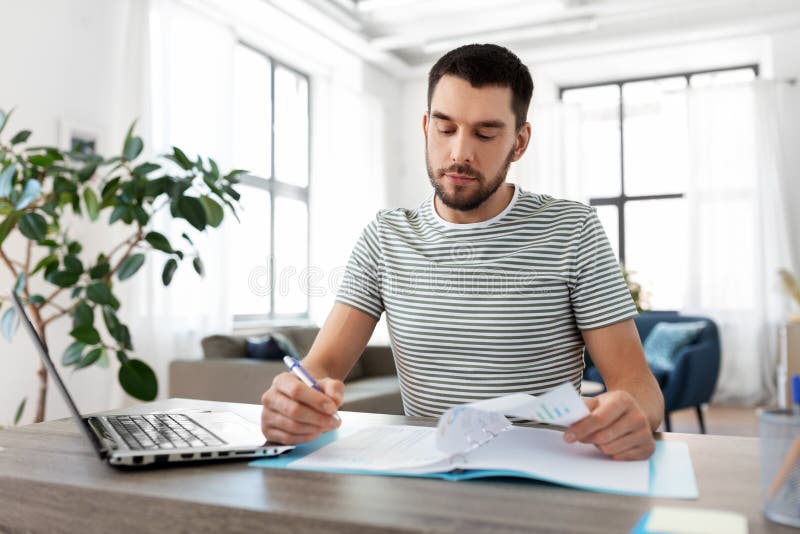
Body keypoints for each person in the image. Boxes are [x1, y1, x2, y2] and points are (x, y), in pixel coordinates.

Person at [260, 43, 664, 461]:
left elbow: (636, 382)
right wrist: (293, 401)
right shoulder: (386, 237)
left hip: (545, 470)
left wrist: (634, 412)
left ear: (520, 142)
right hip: (426, 471)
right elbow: (322, 366)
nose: (459, 153)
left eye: (485, 134)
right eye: (445, 128)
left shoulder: (573, 230)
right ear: (426, 127)